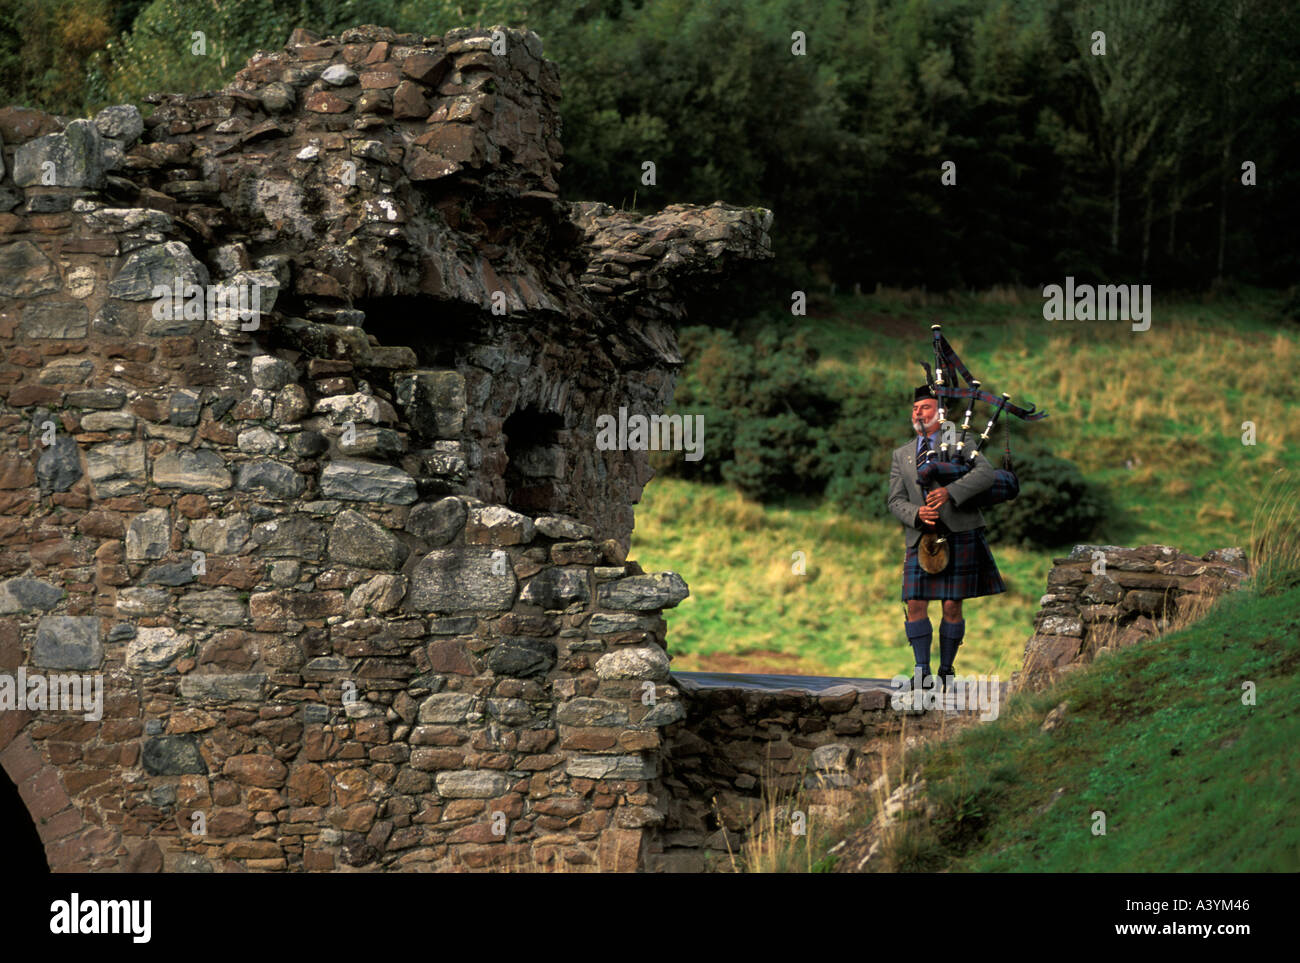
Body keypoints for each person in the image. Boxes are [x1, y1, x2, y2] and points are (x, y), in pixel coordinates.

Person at [887, 385, 1005, 695]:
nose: (917, 413)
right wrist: (916, 514)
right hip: (922, 536)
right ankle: (922, 672)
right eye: (914, 409)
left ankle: (946, 670)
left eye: (924, 407)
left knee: (952, 605)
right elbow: (894, 500)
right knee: (915, 602)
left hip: (960, 532)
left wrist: (950, 492)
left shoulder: (961, 442)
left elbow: (986, 474)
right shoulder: (902, 454)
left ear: (940, 413)